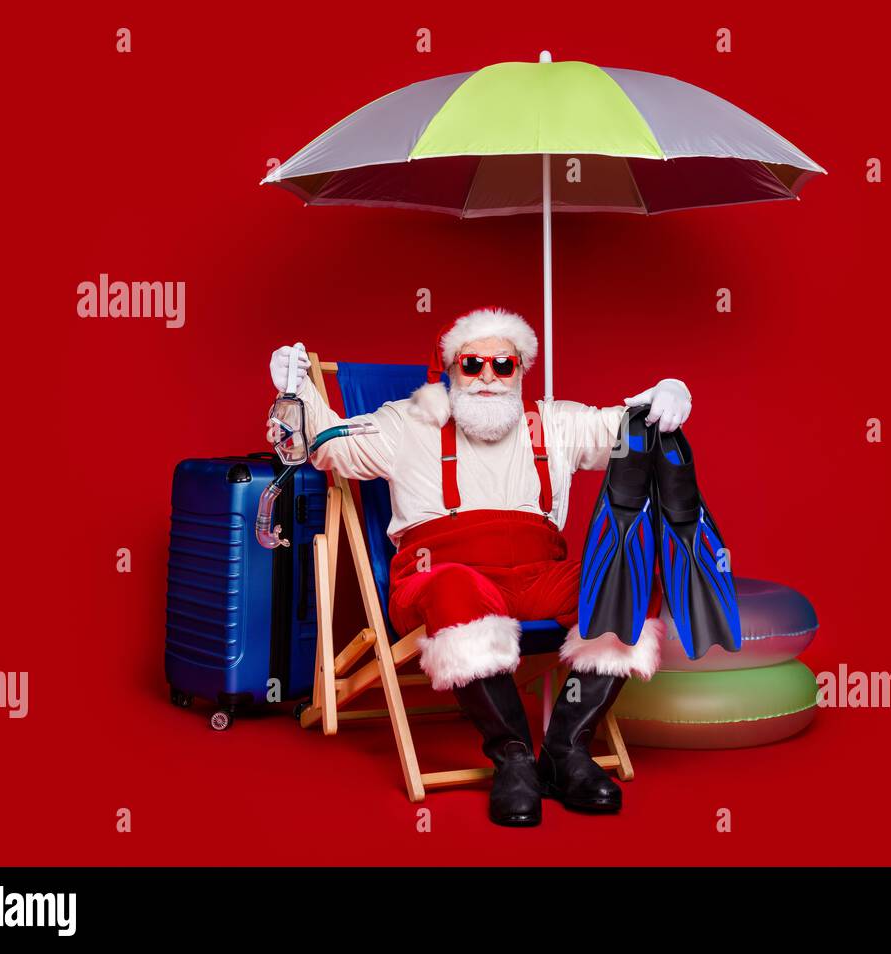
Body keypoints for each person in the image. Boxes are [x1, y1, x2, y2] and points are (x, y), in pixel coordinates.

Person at [268, 307, 692, 826]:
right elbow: (328, 446)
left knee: (627, 580)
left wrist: (669, 392)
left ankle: (566, 751)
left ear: (519, 370)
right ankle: (513, 757)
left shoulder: (552, 421)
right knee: (455, 587)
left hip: (540, 575)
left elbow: (626, 426)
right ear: (450, 371)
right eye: (472, 364)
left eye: (503, 365)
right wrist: (299, 394)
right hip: (442, 575)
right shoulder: (406, 421)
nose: (488, 376)